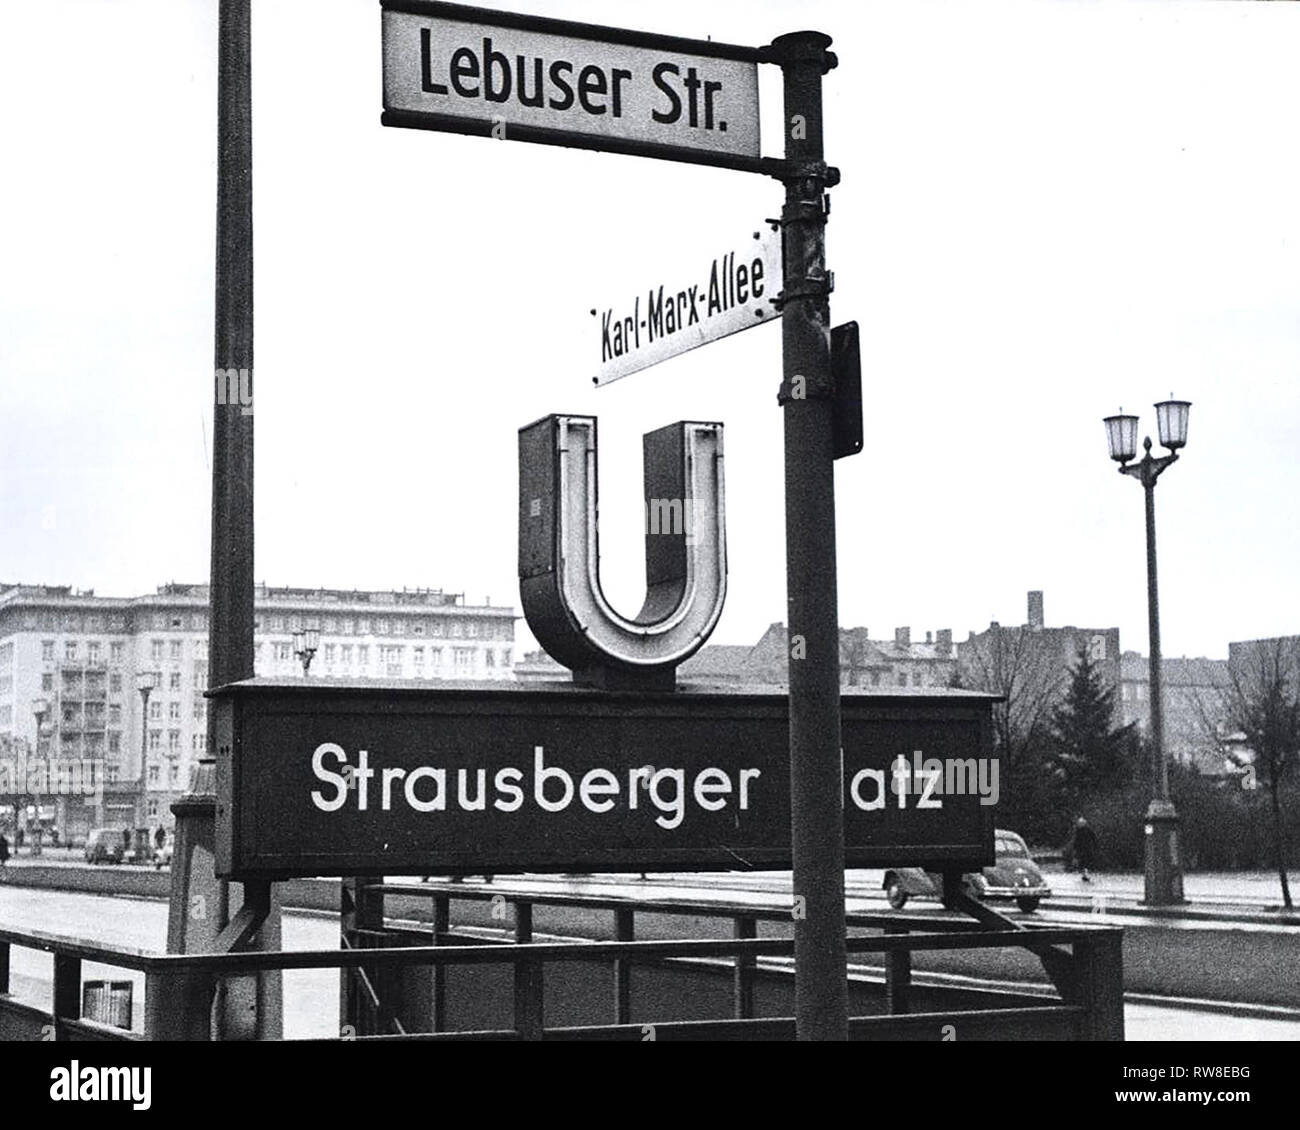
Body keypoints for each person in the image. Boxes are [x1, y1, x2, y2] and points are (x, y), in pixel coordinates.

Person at [1070, 815, 1099, 882]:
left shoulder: (1080, 831)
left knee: (1084, 863)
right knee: (1085, 863)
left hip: (1083, 849)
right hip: (1084, 849)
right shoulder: (1085, 830)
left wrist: (1075, 848)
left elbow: (1076, 840)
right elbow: (1094, 838)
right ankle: (1085, 875)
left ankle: (1085, 875)